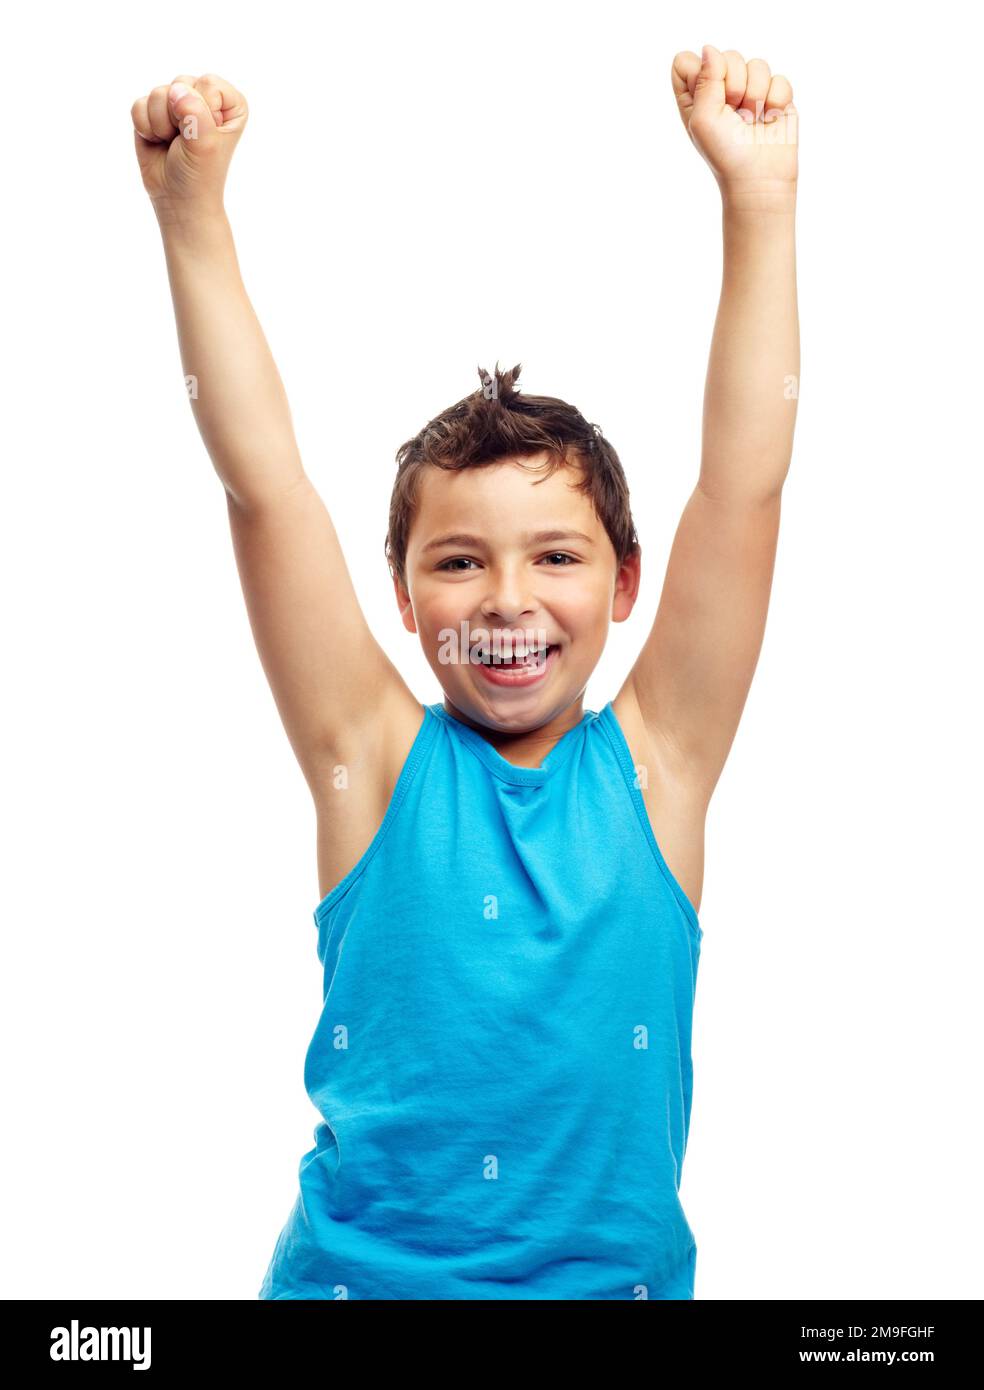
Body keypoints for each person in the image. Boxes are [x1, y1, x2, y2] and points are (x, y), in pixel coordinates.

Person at [131, 44, 799, 1300]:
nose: (505, 599)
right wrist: (192, 219)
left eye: (555, 554)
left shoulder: (663, 763)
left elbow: (744, 486)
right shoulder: (372, 760)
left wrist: (758, 203)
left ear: (625, 584)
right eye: (455, 562)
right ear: (400, 595)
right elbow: (264, 488)